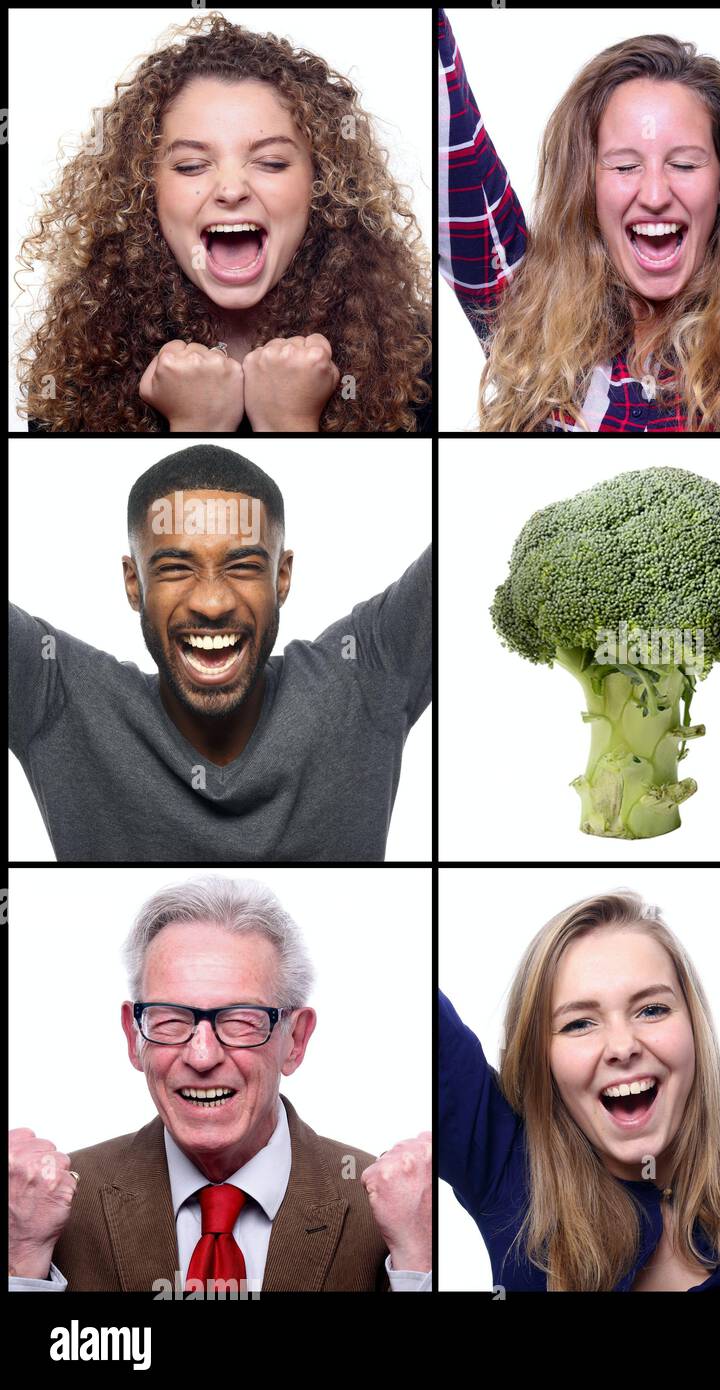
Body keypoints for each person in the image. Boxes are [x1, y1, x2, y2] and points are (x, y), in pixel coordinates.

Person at [437, 7, 720, 431]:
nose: (655, 196)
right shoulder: (528, 313)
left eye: (685, 165)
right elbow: (450, 130)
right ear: (588, 184)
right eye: (624, 167)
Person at [439, 870, 720, 1290]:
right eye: (579, 1023)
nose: (622, 1046)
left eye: (652, 1010)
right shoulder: (509, 1174)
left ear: (694, 1027)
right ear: (541, 1058)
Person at [8, 875, 431, 1292]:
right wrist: (21, 1262)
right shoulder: (42, 1207)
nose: (202, 1056)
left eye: (240, 1021)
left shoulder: (393, 1215)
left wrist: (419, 1267)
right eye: (171, 1020)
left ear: (295, 1040)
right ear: (133, 1035)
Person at [7, 446, 432, 861]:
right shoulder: (54, 694)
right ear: (134, 584)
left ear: (281, 580)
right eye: (175, 568)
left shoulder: (366, 674)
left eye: (243, 566)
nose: (211, 603)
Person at [17, 13, 431, 432]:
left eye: (271, 163)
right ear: (147, 191)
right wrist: (197, 424)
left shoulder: (411, 363)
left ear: (321, 186)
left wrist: (290, 421)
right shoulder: (80, 370)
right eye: (192, 166)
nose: (231, 190)